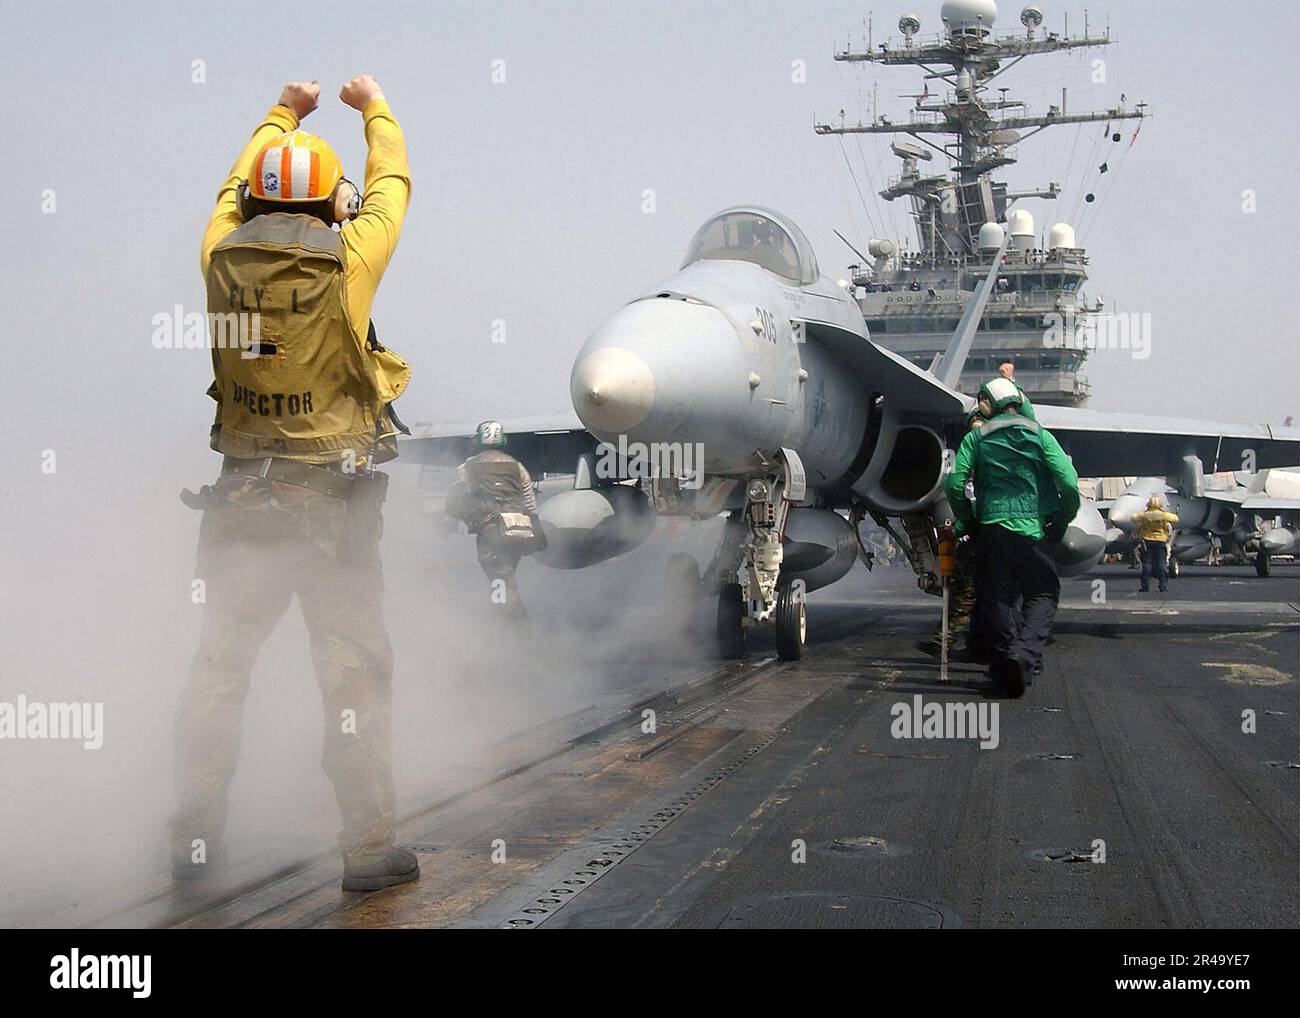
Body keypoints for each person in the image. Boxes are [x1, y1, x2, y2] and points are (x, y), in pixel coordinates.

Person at [170, 77, 420, 892]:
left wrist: (283, 111)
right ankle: (367, 850)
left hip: (240, 499)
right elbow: (394, 184)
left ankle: (195, 836)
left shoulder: (217, 259)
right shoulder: (347, 261)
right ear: (332, 204)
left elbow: (226, 191)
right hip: (328, 508)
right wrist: (372, 107)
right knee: (351, 674)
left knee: (218, 671)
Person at [944, 377, 1080, 696]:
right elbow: (1070, 484)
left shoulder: (976, 438)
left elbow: (954, 484)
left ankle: (1007, 662)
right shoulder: (1040, 435)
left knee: (996, 599)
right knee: (1042, 594)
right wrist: (1061, 520)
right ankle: (1021, 657)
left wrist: (967, 520)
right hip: (1033, 530)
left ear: (987, 405)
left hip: (992, 529)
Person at [445, 421, 547, 619]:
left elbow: (456, 497)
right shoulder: (517, 466)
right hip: (518, 530)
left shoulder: (468, 467)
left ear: (478, 441)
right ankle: (503, 615)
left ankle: (511, 627)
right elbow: (529, 502)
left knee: (500, 579)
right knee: (505, 575)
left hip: (491, 532)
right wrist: (539, 532)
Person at [1131, 495, 1179, 592]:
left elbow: (1133, 518)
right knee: (1162, 564)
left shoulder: (1145, 515)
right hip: (1161, 541)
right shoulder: (1164, 515)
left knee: (1147, 564)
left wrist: (1144, 514)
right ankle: (1163, 586)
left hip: (1147, 542)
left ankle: (1145, 586)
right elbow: (1175, 519)